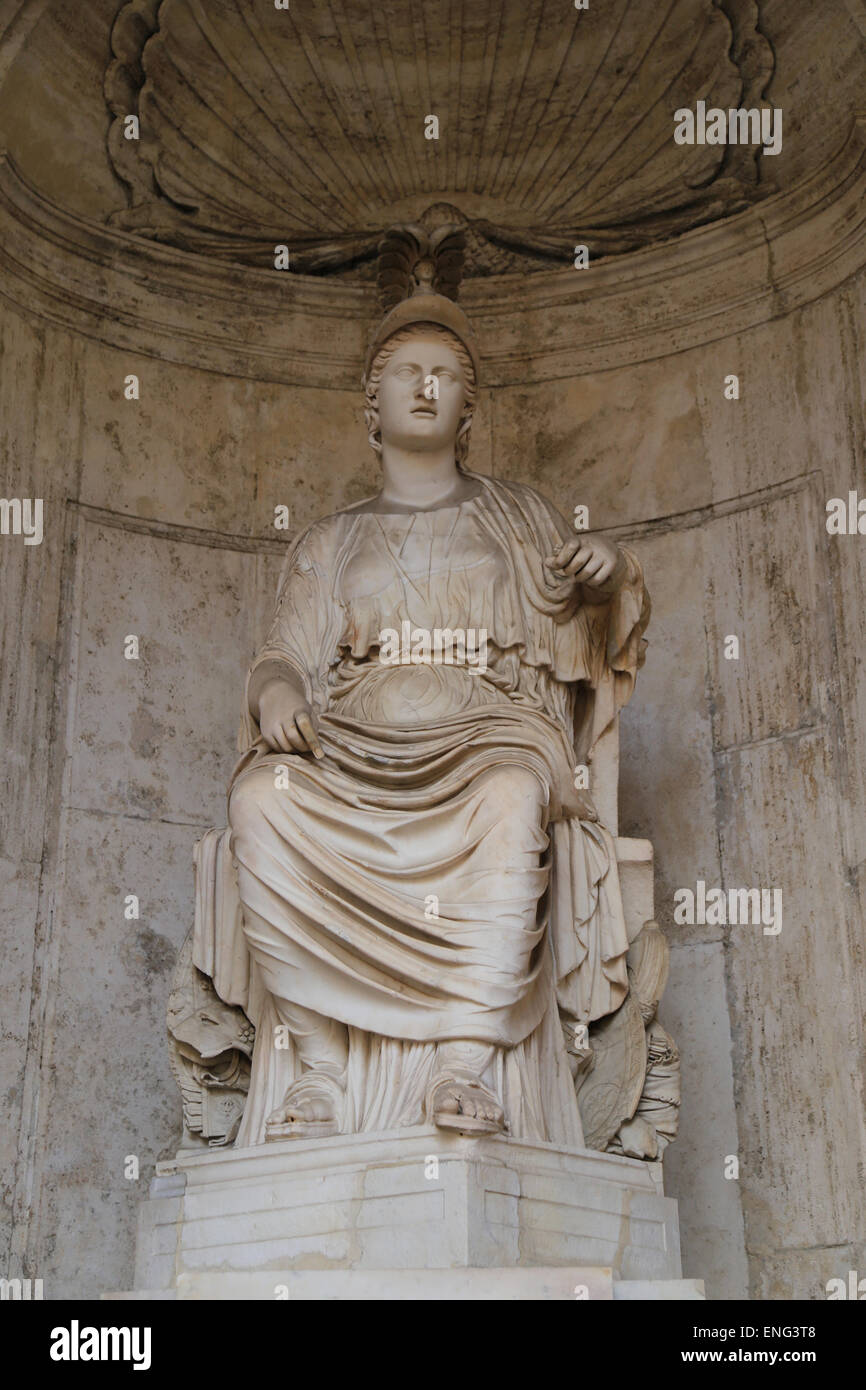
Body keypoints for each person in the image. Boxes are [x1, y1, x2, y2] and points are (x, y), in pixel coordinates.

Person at [227, 291, 650, 1145]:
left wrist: (611, 576)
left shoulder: (518, 517)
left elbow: (586, 634)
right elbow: (285, 652)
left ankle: (464, 1061)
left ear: (468, 409)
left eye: (446, 375)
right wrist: (276, 692)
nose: (426, 388)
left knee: (507, 800)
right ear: (371, 405)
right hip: (353, 744)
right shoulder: (329, 540)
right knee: (260, 800)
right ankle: (319, 1071)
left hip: (485, 733)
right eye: (408, 374)